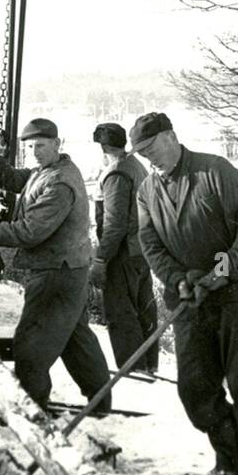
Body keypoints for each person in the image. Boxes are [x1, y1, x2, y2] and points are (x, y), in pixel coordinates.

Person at [131, 111, 238, 475]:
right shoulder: (147, 191)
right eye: (142, 152)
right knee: (196, 387)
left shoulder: (214, 170)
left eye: (152, 147)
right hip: (190, 302)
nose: (150, 157)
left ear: (171, 136)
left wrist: (223, 269)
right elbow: (150, 243)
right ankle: (228, 463)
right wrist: (178, 279)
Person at [0, 116, 111, 413]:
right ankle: (100, 403)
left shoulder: (59, 182)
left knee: (31, 344)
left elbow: (31, 232)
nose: (35, 152)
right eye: (30, 146)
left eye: (41, 146)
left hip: (54, 273)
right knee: (74, 338)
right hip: (68, 270)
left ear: (57, 144)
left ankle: (32, 409)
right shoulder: (48, 171)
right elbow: (10, 179)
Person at [90, 122, 158, 373]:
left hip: (122, 253)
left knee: (121, 314)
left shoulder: (116, 173)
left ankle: (133, 370)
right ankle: (149, 366)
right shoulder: (136, 166)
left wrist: (101, 258)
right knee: (144, 312)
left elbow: (114, 223)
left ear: (104, 146)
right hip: (141, 250)